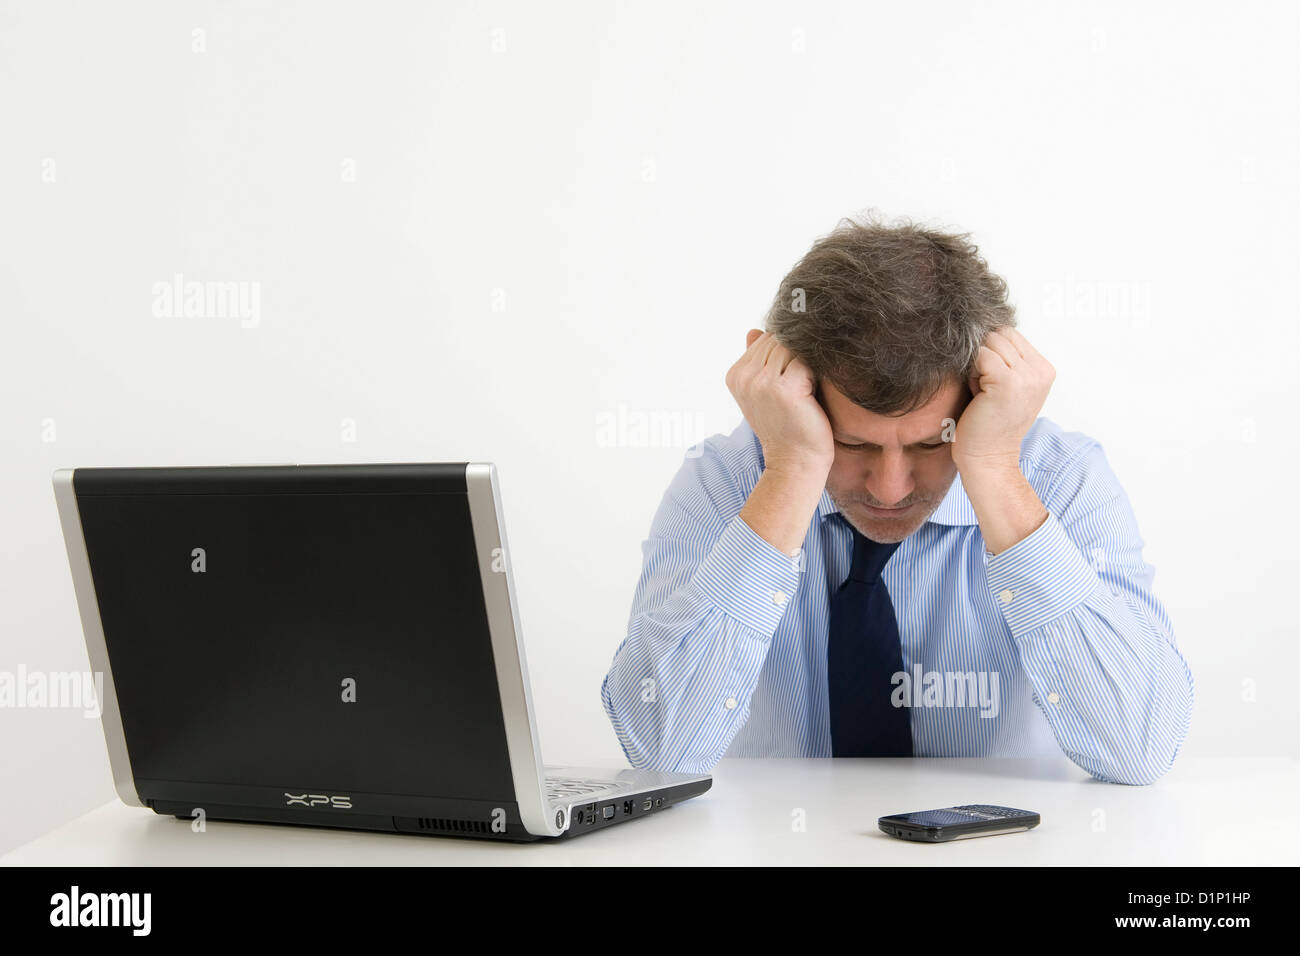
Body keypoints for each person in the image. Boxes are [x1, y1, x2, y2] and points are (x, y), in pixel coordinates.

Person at [600, 213, 1193, 785]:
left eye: (931, 445)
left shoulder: (1062, 479)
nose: (889, 489)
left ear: (981, 397)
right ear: (791, 393)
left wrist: (990, 469)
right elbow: (661, 751)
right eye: (852, 442)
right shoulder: (725, 482)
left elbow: (1138, 750)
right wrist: (792, 470)